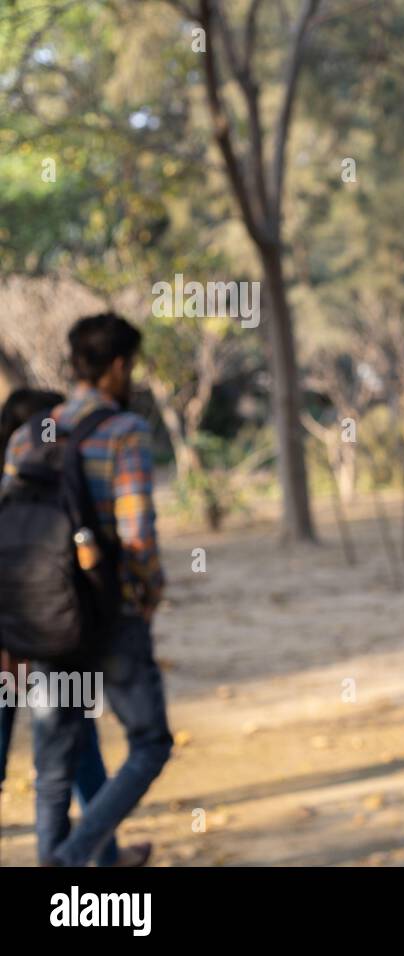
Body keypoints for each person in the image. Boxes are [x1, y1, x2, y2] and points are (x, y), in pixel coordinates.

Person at [2, 314, 172, 867]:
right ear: (117, 366)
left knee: (53, 770)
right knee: (149, 742)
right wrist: (148, 595)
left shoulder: (31, 435)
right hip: (112, 614)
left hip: (48, 618)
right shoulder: (124, 433)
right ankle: (73, 857)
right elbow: (137, 535)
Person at [0, 388, 137, 867]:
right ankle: (96, 858)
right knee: (66, 760)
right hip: (32, 650)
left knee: (72, 757)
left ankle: (103, 856)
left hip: (34, 647)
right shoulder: (36, 496)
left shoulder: (25, 493)